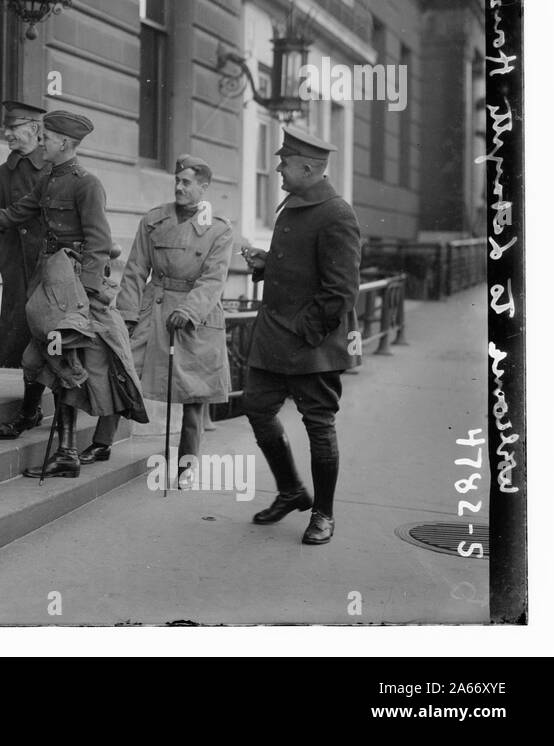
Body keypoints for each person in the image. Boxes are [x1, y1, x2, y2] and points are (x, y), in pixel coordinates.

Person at [0, 111, 148, 478]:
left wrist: (80, 299)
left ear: (65, 144)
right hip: (49, 285)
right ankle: (66, 452)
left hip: (73, 293)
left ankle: (71, 451)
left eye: (47, 138)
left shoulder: (87, 184)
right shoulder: (50, 180)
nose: (42, 143)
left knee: (70, 361)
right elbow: (13, 215)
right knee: (50, 360)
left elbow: (100, 244)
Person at [240, 125, 360, 545]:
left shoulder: (337, 213)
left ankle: (324, 514)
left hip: (312, 345)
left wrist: (306, 333)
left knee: (318, 425)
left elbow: (340, 291)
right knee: (257, 408)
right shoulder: (296, 202)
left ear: (308, 168)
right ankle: (291, 490)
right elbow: (299, 265)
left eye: (284, 162)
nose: (277, 169)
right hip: (274, 338)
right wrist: (267, 263)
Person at [82, 156, 234, 479]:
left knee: (194, 390)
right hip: (154, 307)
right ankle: (102, 440)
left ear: (204, 187)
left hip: (195, 316)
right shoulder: (153, 220)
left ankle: (187, 463)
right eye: (177, 181)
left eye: (187, 182)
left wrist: (189, 310)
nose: (179, 187)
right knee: (123, 371)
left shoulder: (219, 230)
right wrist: (128, 314)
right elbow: (136, 270)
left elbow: (213, 280)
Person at [0, 101, 51, 440]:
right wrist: (2, 261)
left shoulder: (54, 168)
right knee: (23, 336)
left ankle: (32, 408)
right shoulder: (2, 173)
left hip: (49, 269)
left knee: (45, 335)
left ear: (35, 130)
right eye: (5, 127)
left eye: (14, 127)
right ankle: (30, 406)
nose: (7, 133)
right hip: (16, 268)